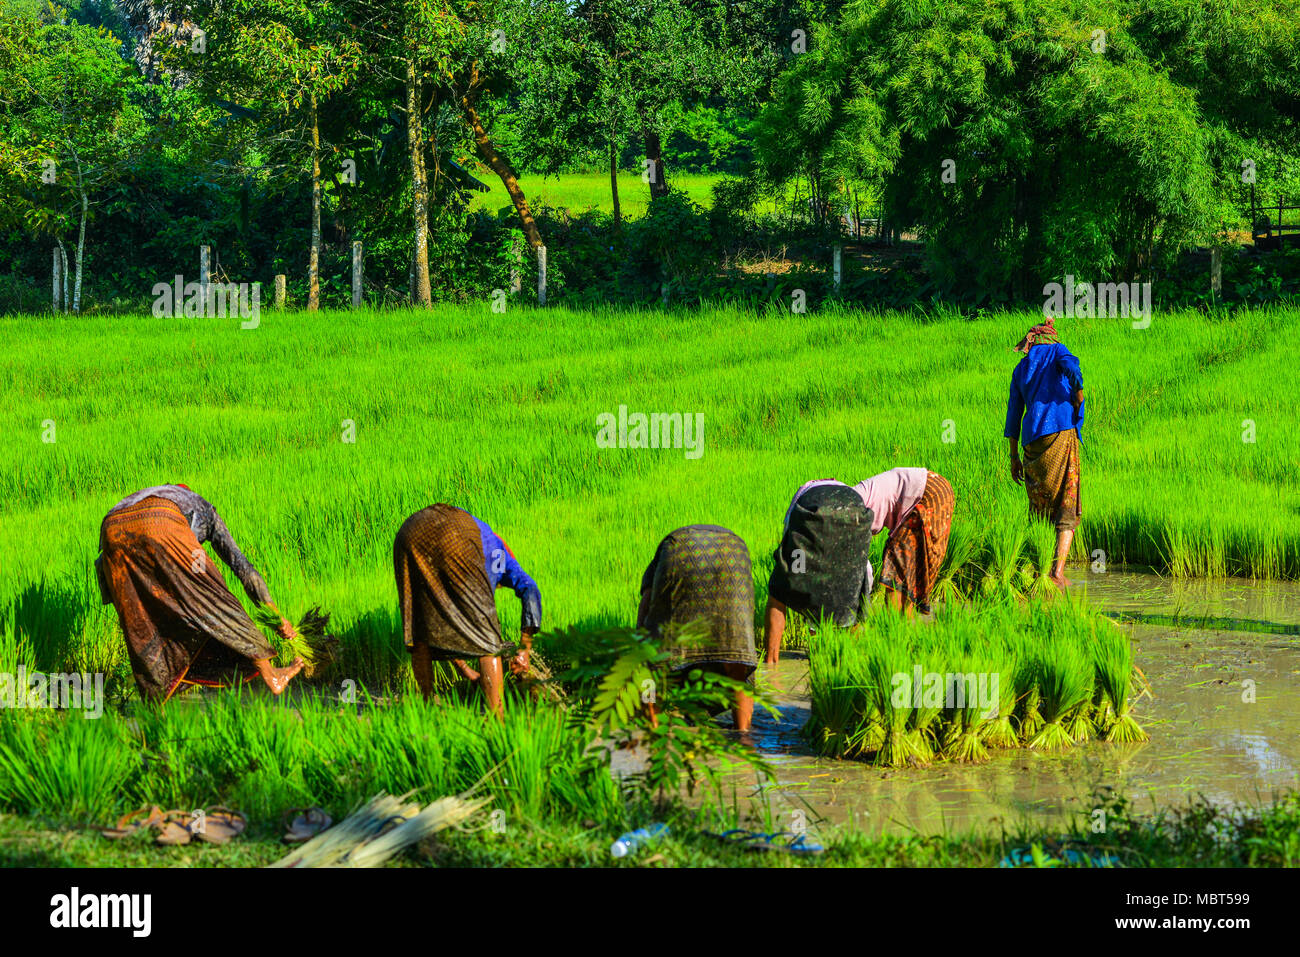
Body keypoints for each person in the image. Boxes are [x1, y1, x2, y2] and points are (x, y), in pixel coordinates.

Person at [95, 484, 304, 703]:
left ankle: (155, 710)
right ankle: (270, 675)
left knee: (141, 618)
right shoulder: (204, 510)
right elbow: (244, 570)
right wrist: (275, 616)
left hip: (111, 530)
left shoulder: (149, 497)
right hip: (161, 523)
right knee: (215, 597)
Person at [393, 503, 541, 716]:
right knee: (489, 642)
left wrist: (468, 673)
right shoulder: (501, 558)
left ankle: (427, 708)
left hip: (409, 532)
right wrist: (525, 650)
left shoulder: (485, 546)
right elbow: (530, 589)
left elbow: (448, 624)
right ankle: (496, 719)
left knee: (422, 628)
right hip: (455, 534)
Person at [636, 525, 757, 733]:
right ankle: (744, 736)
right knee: (737, 659)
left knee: (652, 666)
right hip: (734, 554)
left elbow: (646, 603)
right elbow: (747, 611)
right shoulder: (735, 544)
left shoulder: (666, 551)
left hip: (678, 552)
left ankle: (651, 728)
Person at [1004, 316, 1085, 589]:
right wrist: (1079, 393)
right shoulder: (1058, 351)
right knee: (1066, 502)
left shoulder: (1021, 368)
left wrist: (1014, 456)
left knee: (1040, 506)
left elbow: (1014, 414)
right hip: (1060, 433)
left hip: (1031, 443)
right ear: (1052, 338)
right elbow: (1072, 367)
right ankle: (1057, 572)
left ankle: (1037, 567)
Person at [764, 481, 875, 665]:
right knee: (856, 589)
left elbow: (788, 544)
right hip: (856, 509)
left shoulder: (802, 496)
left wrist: (794, 579)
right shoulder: (848, 495)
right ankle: (851, 660)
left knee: (779, 590)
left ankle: (771, 661)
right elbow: (864, 572)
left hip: (812, 506)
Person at [857, 467, 955, 616]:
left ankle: (895, 627)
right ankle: (900, 626)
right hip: (936, 486)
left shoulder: (844, 512)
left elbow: (861, 566)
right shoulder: (840, 500)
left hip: (928, 491)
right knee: (907, 564)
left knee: (899, 557)